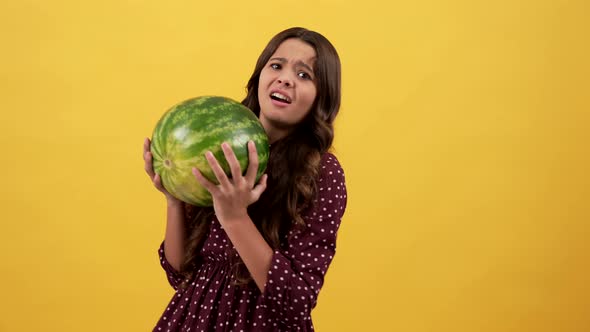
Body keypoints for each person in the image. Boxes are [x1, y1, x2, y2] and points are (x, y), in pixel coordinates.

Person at [143, 27, 347, 331]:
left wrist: (235, 217)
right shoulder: (221, 145)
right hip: (191, 318)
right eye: (276, 65)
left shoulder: (322, 173)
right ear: (259, 77)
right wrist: (175, 197)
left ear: (322, 97)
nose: (285, 78)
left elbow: (294, 303)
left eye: (305, 75)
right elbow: (180, 273)